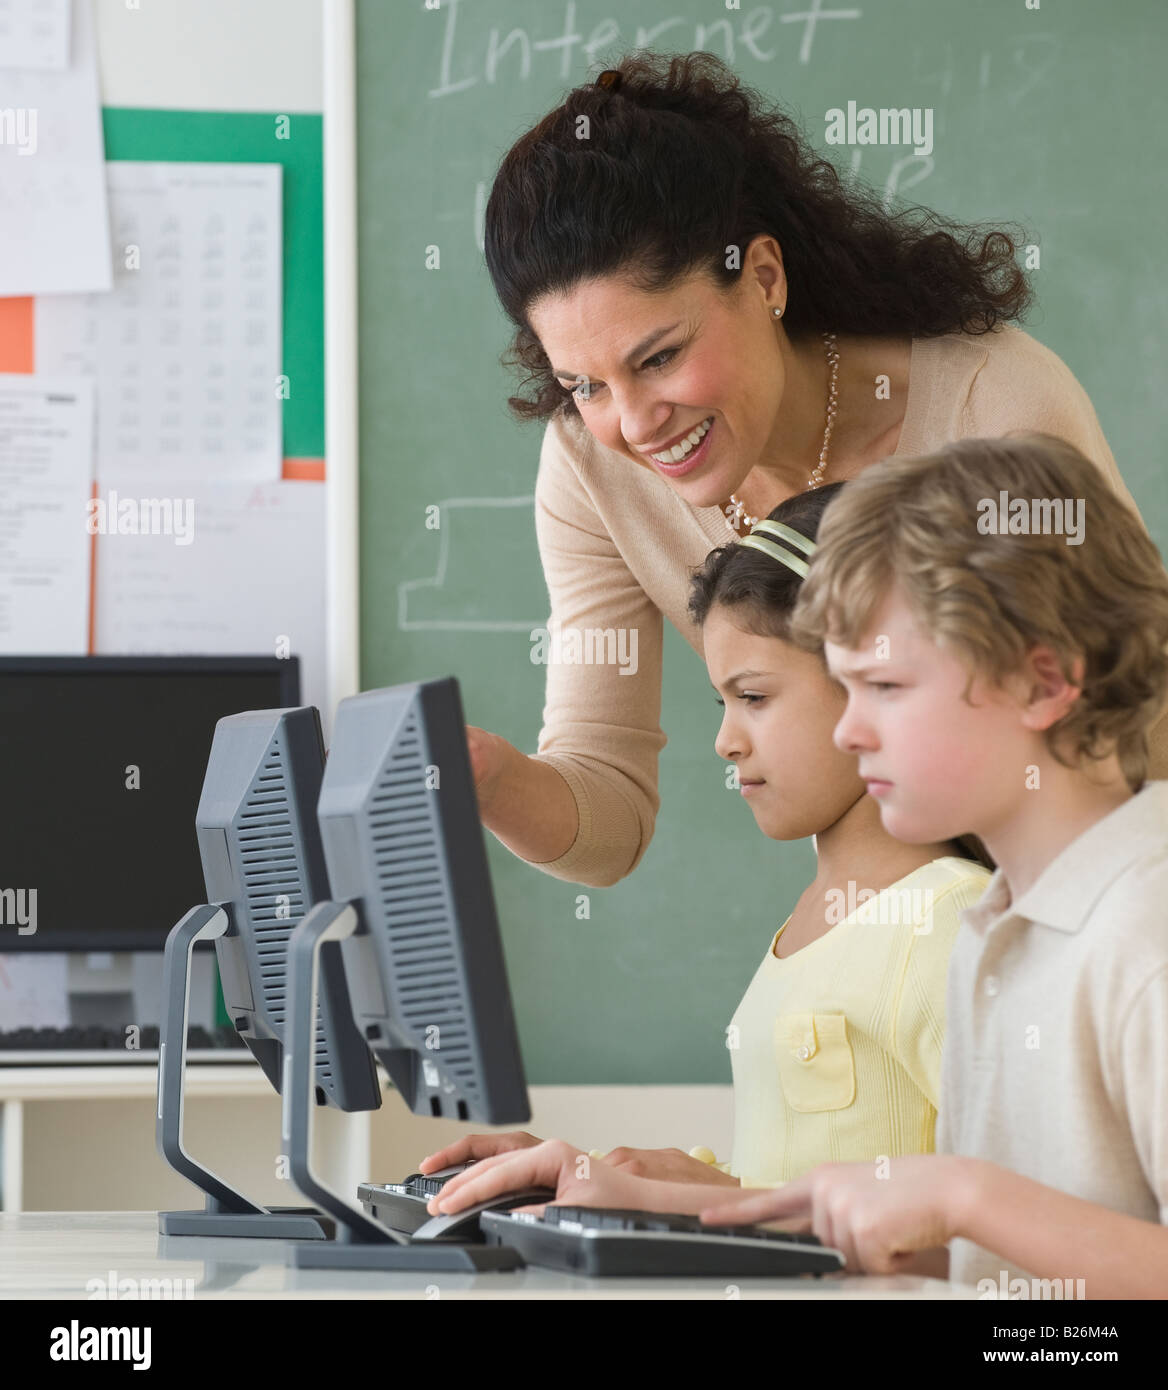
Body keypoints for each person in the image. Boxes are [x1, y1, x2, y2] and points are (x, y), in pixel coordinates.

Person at [429, 434, 1168, 1298]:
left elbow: (988, 1226)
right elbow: (1000, 1270)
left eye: (885, 689)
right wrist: (652, 1203)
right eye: (845, 690)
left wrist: (966, 1194)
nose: (851, 732)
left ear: (1044, 684)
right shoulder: (999, 926)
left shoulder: (1144, 931)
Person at [467, 50, 1168, 890]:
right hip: (906, 937)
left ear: (762, 276)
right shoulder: (592, 469)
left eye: (660, 357)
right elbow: (607, 810)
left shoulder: (993, 406)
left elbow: (1137, 720)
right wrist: (488, 777)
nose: (634, 423)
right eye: (585, 385)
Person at [420, 483, 991, 1190]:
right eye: (723, 702)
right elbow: (783, 1180)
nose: (724, 741)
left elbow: (1005, 1223)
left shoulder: (953, 925)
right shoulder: (811, 926)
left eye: (753, 697)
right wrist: (614, 1179)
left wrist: (710, 1206)